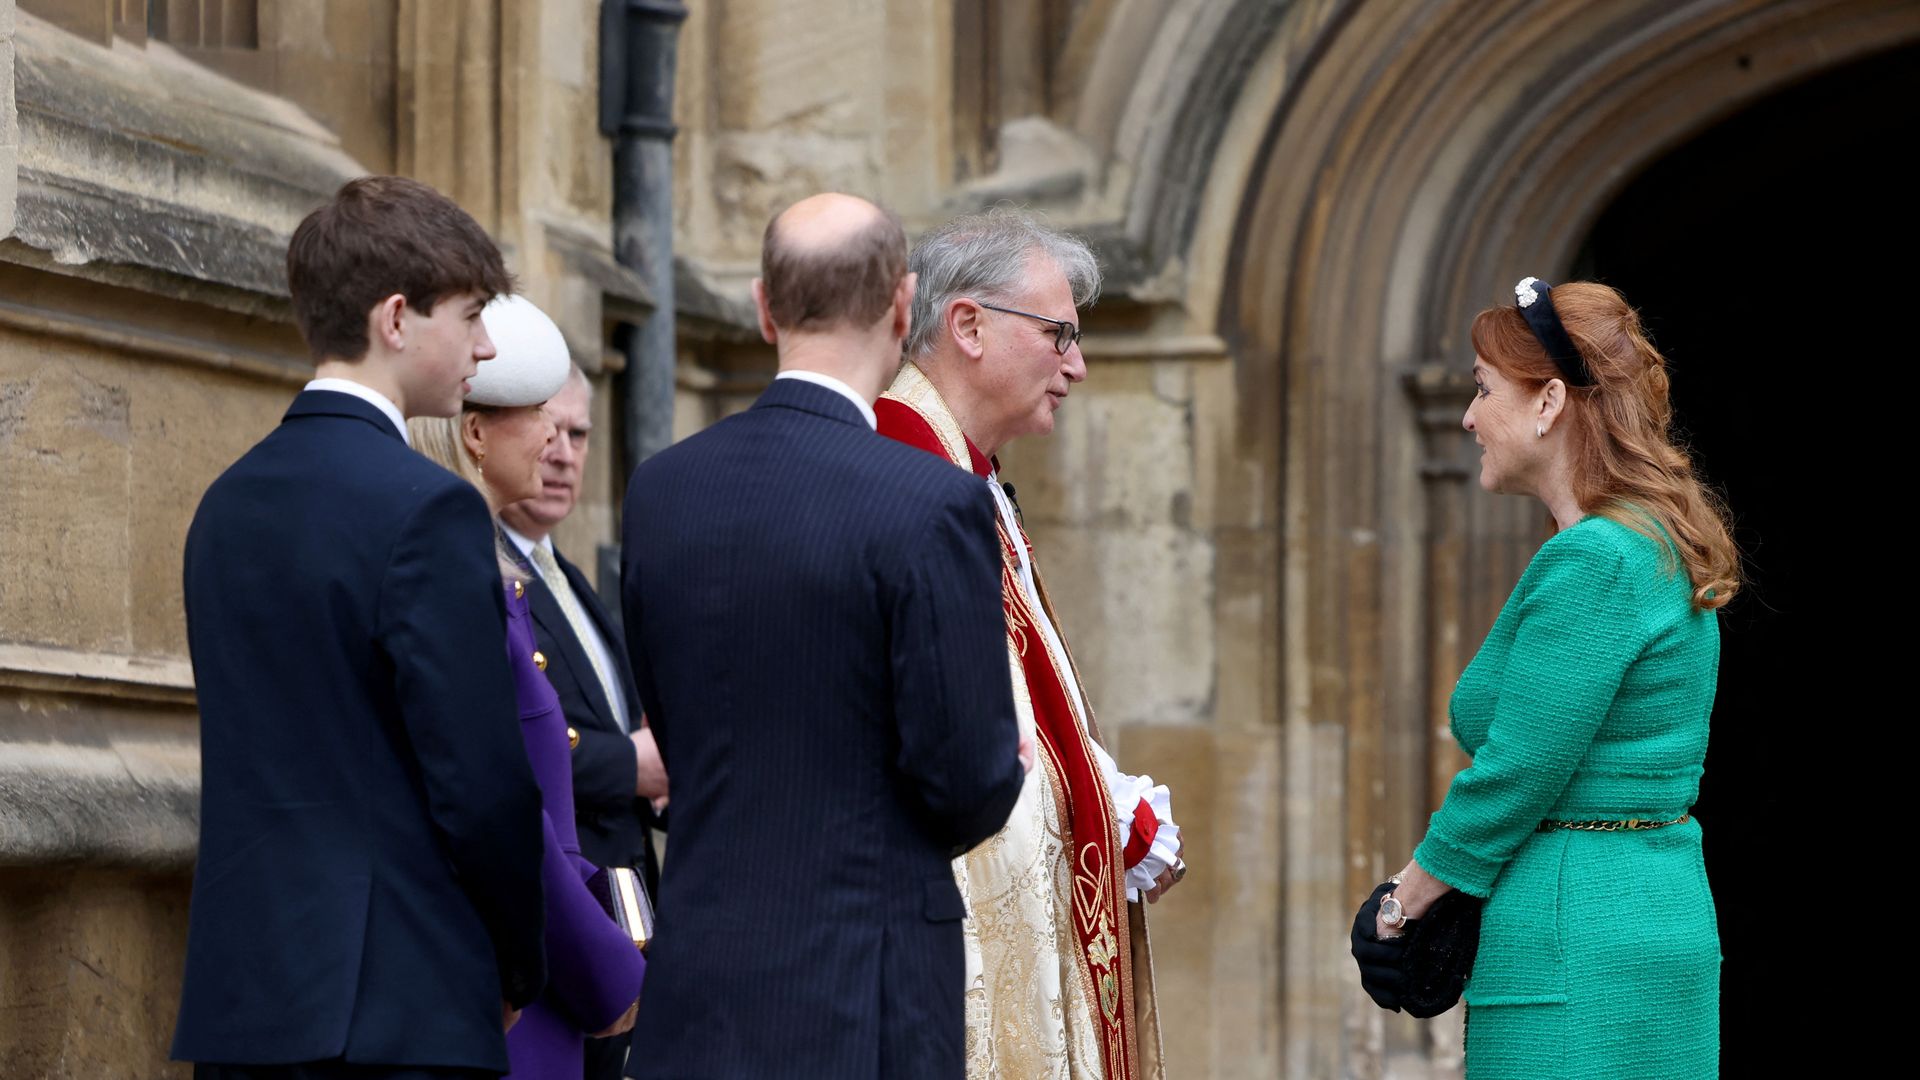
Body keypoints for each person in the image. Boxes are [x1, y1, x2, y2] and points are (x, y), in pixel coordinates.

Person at [620, 193, 1030, 1079]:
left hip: (699, 979)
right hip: (864, 989)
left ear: (764, 307)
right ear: (903, 304)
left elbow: (673, 715)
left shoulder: (662, 489)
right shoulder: (930, 501)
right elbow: (966, 783)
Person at [172, 176, 547, 1079]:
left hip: (248, 1004)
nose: (485, 346)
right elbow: (479, 782)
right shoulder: (428, 509)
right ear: (395, 319)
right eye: (469, 315)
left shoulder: (225, 503)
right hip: (397, 1001)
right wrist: (518, 963)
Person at [1356, 278, 1736, 1078]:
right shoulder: (1648, 542)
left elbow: (1519, 770)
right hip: (1650, 909)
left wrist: (1403, 900)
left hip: (1575, 940)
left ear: (1549, 401)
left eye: (1483, 388)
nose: (1467, 417)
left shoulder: (1597, 556)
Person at [877, 208, 1182, 1080]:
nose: (1076, 367)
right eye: (1059, 336)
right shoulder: (899, 466)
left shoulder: (965, 470)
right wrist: (1110, 809)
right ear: (967, 325)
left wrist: (1107, 796)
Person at [407, 295, 646, 1080]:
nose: (558, 443)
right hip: (526, 970)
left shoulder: (527, 573)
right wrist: (606, 967)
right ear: (474, 433)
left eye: (571, 426)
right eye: (541, 418)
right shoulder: (466, 574)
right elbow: (508, 809)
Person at [495, 365, 665, 1080]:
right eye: (549, 430)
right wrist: (636, 766)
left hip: (618, 920)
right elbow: (513, 752)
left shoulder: (566, 574)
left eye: (580, 433)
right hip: (561, 935)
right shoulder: (487, 570)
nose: (563, 452)